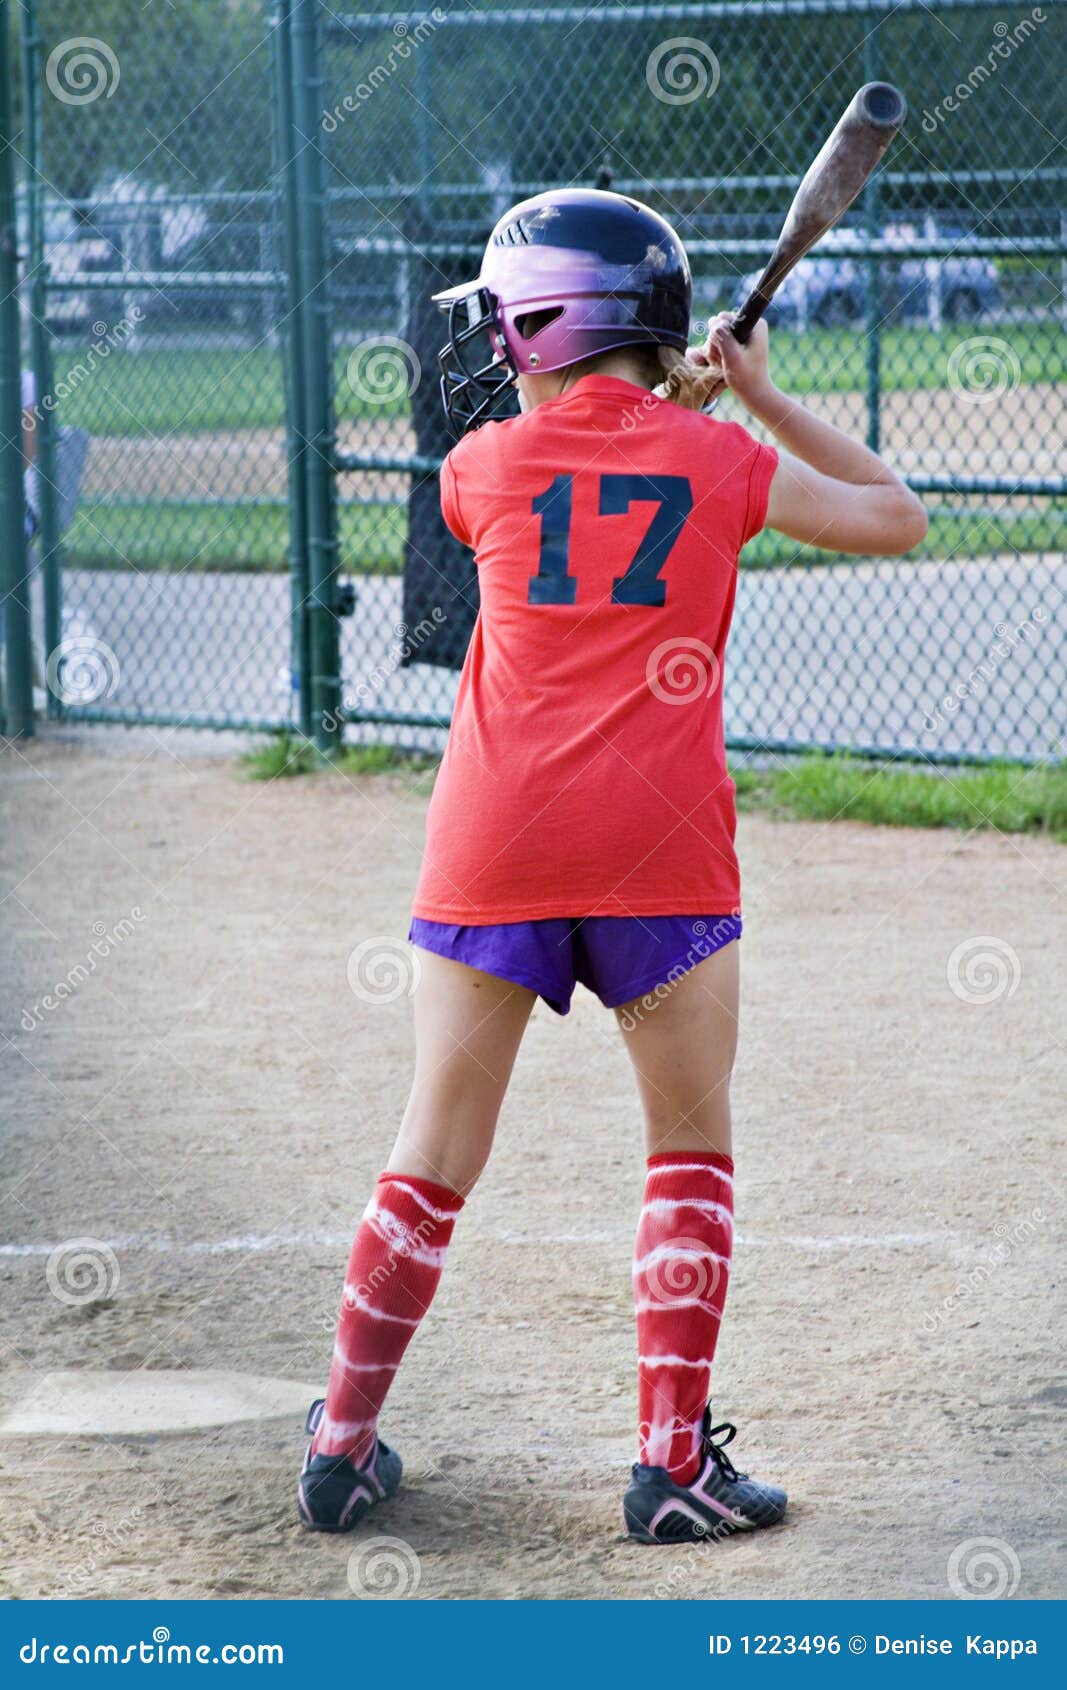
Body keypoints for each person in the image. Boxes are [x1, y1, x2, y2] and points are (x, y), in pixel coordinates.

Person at [298, 189, 927, 1544]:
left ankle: (342, 1441)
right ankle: (668, 1465)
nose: (496, 341)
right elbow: (898, 516)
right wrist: (741, 404)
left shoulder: (481, 468)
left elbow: (565, 459)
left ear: (557, 323)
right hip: (660, 850)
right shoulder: (719, 459)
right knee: (688, 1147)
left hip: (498, 837)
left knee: (434, 1149)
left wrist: (660, 408)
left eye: (516, 315)